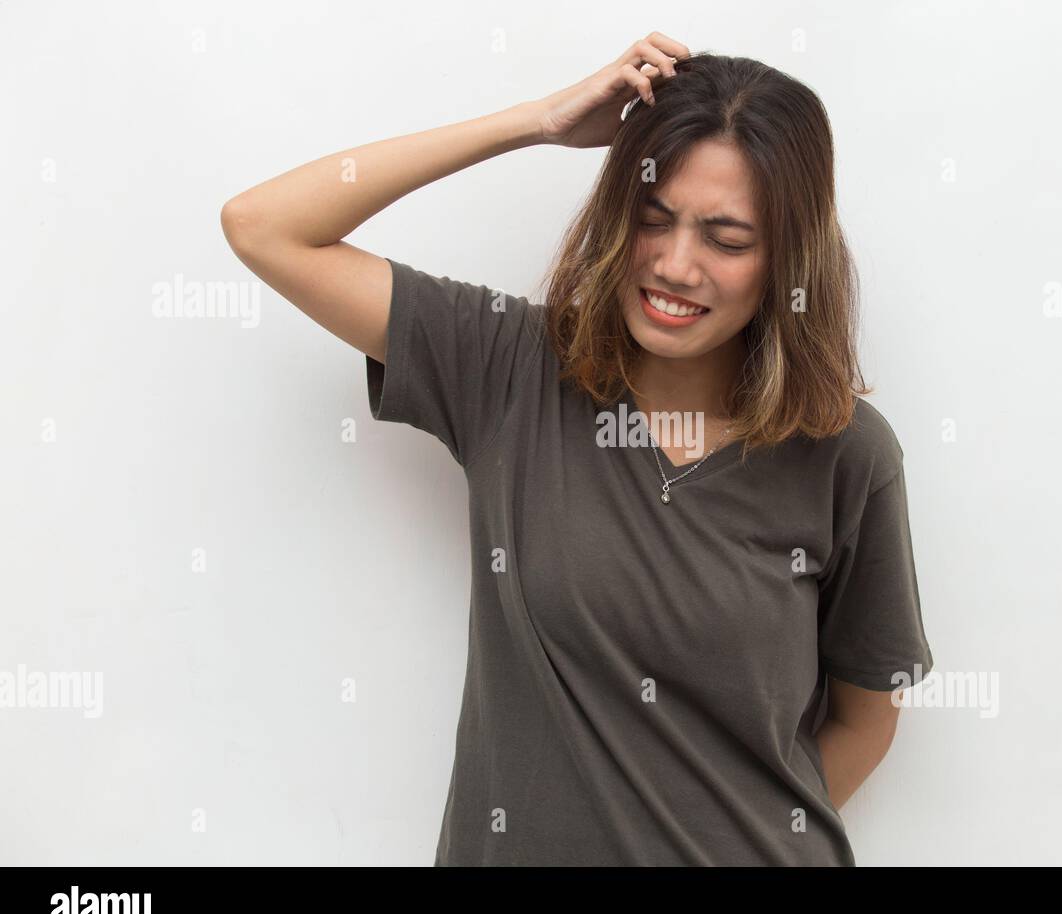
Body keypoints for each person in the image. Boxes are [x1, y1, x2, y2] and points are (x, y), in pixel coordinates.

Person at [220, 32, 934, 866]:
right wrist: (535, 123)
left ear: (787, 260)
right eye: (653, 218)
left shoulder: (845, 452)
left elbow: (866, 720)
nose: (676, 265)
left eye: (727, 239)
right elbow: (265, 228)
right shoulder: (508, 367)